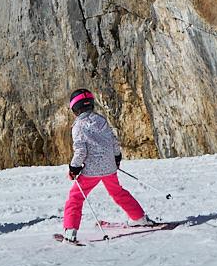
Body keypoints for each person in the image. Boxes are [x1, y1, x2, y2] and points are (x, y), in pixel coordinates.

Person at [59, 89, 156, 243]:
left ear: (74, 109)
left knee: (75, 198)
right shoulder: (101, 120)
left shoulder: (78, 126)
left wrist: (73, 168)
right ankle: (139, 218)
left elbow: (80, 150)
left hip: (91, 171)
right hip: (109, 167)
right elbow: (113, 140)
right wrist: (116, 158)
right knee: (118, 192)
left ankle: (70, 231)